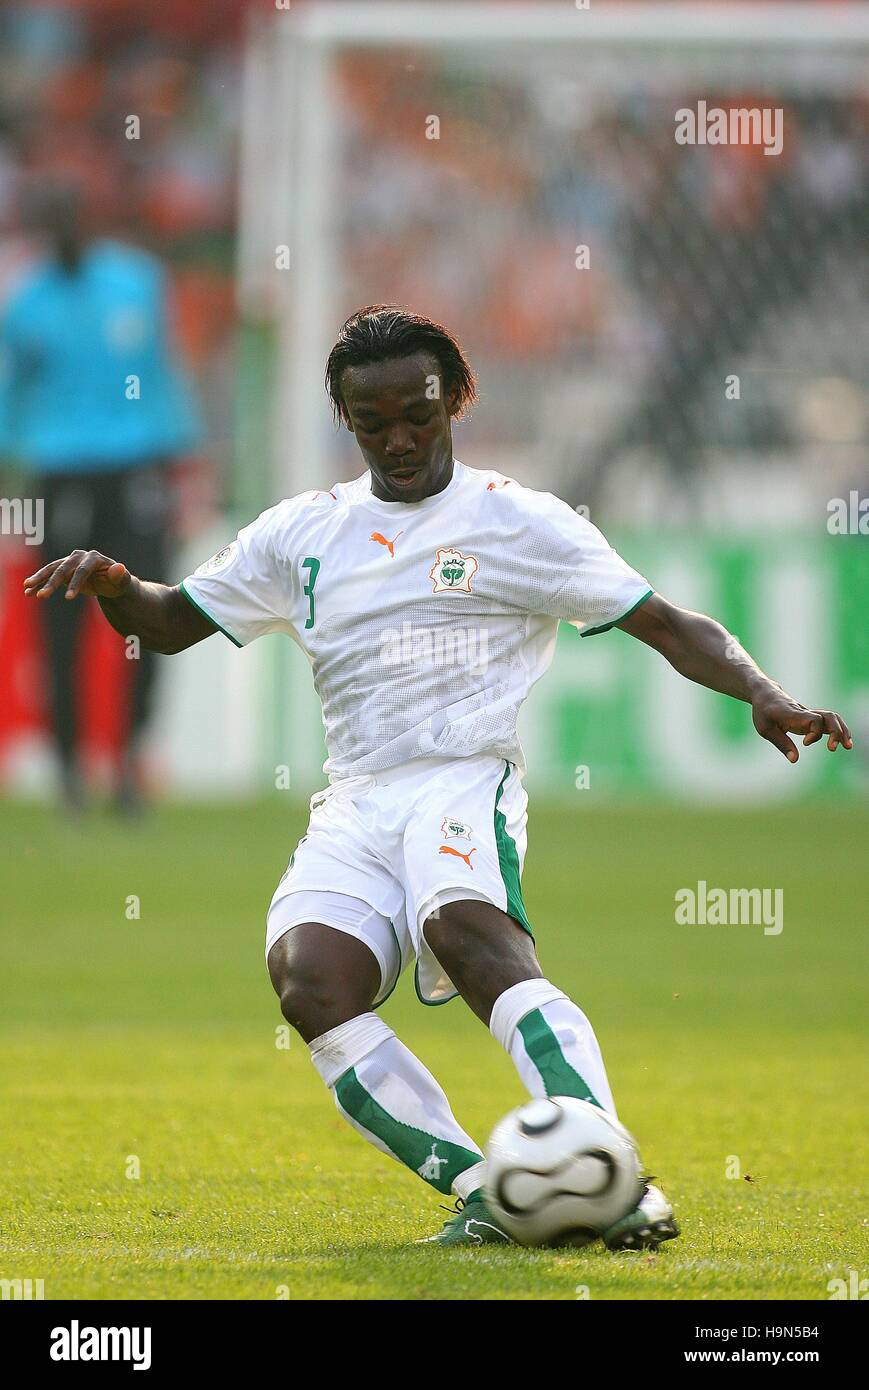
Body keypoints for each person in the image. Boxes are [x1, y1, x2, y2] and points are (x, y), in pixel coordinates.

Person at [23, 305, 852, 1246]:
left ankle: (612, 1178)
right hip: (357, 799)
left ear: (454, 397)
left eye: (417, 413)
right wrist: (119, 589)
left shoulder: (517, 521)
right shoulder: (305, 531)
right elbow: (173, 624)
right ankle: (491, 1193)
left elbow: (664, 622)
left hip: (464, 775)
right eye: (372, 424)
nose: (399, 439)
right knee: (309, 983)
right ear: (348, 421)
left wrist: (759, 690)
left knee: (466, 932)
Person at [0, 180, 201, 812]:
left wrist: (185, 460)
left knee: (152, 610)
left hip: (135, 464)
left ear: (88, 218)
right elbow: (11, 395)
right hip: (58, 472)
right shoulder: (25, 303)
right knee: (57, 620)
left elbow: (163, 371)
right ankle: (69, 772)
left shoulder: (136, 282)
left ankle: (130, 762)